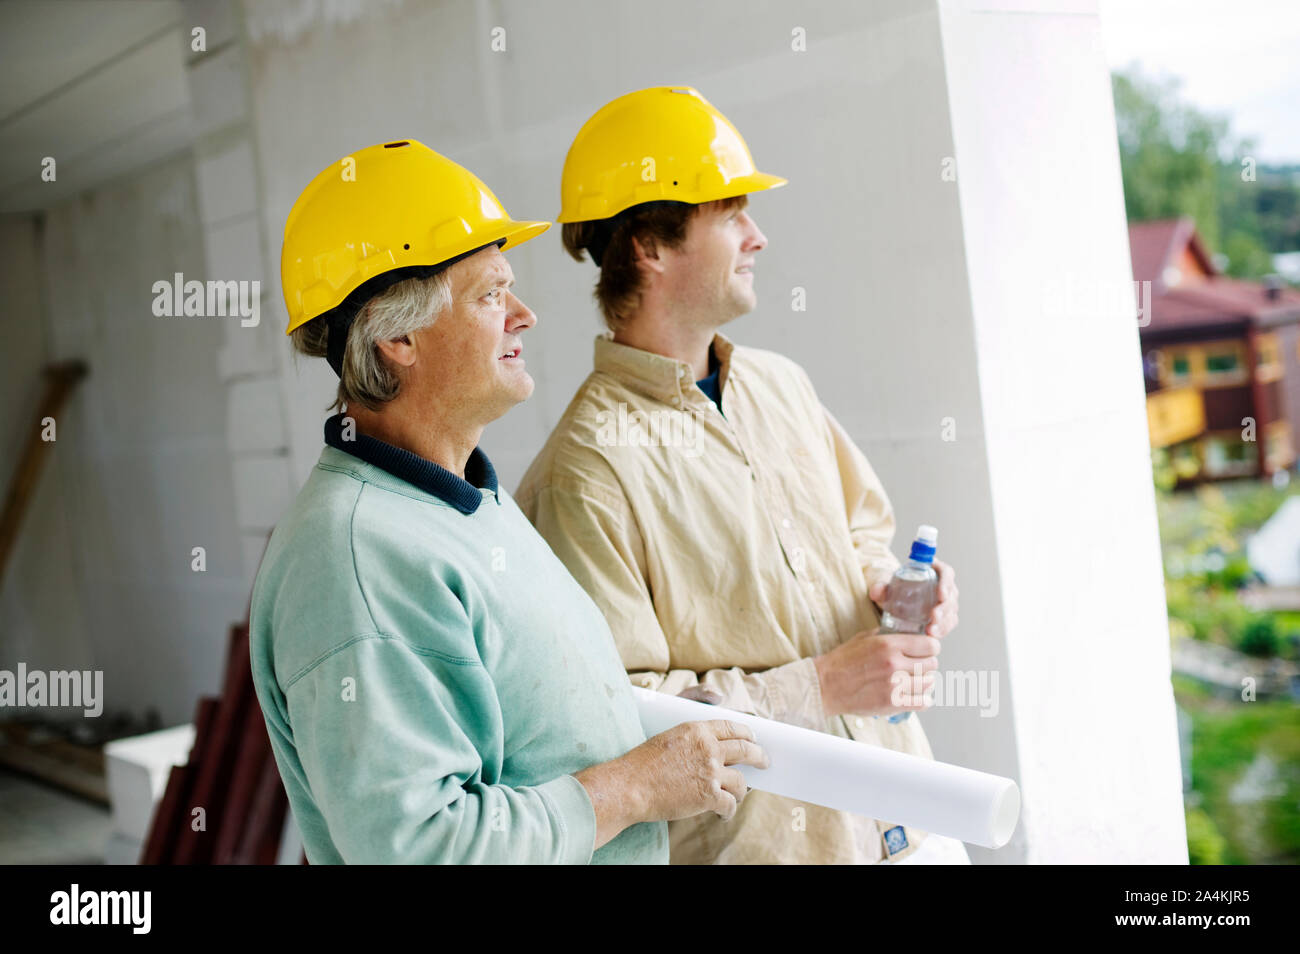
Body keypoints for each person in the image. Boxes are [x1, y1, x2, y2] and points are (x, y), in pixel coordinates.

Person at [249, 139, 767, 864]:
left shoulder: (465, 504)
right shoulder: (354, 557)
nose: (523, 314)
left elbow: (535, 730)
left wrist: (647, 731)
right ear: (397, 335)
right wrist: (635, 789)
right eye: (491, 293)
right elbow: (421, 846)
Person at [516, 88, 969, 864]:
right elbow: (624, 722)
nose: (758, 237)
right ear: (650, 247)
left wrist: (890, 587)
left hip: (908, 820)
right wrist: (822, 687)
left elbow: (861, 531)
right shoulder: (586, 470)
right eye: (731, 214)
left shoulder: (781, 386)